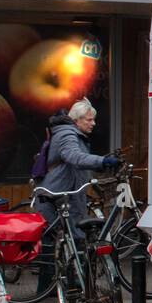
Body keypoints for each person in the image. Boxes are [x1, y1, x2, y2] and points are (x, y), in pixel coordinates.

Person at [34, 98, 120, 239]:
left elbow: (78, 162)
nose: (93, 123)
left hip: (68, 189)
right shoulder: (67, 135)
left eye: (93, 120)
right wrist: (102, 161)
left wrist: (100, 167)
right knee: (68, 235)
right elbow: (74, 157)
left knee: (71, 234)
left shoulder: (73, 134)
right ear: (76, 120)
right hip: (62, 190)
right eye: (89, 120)